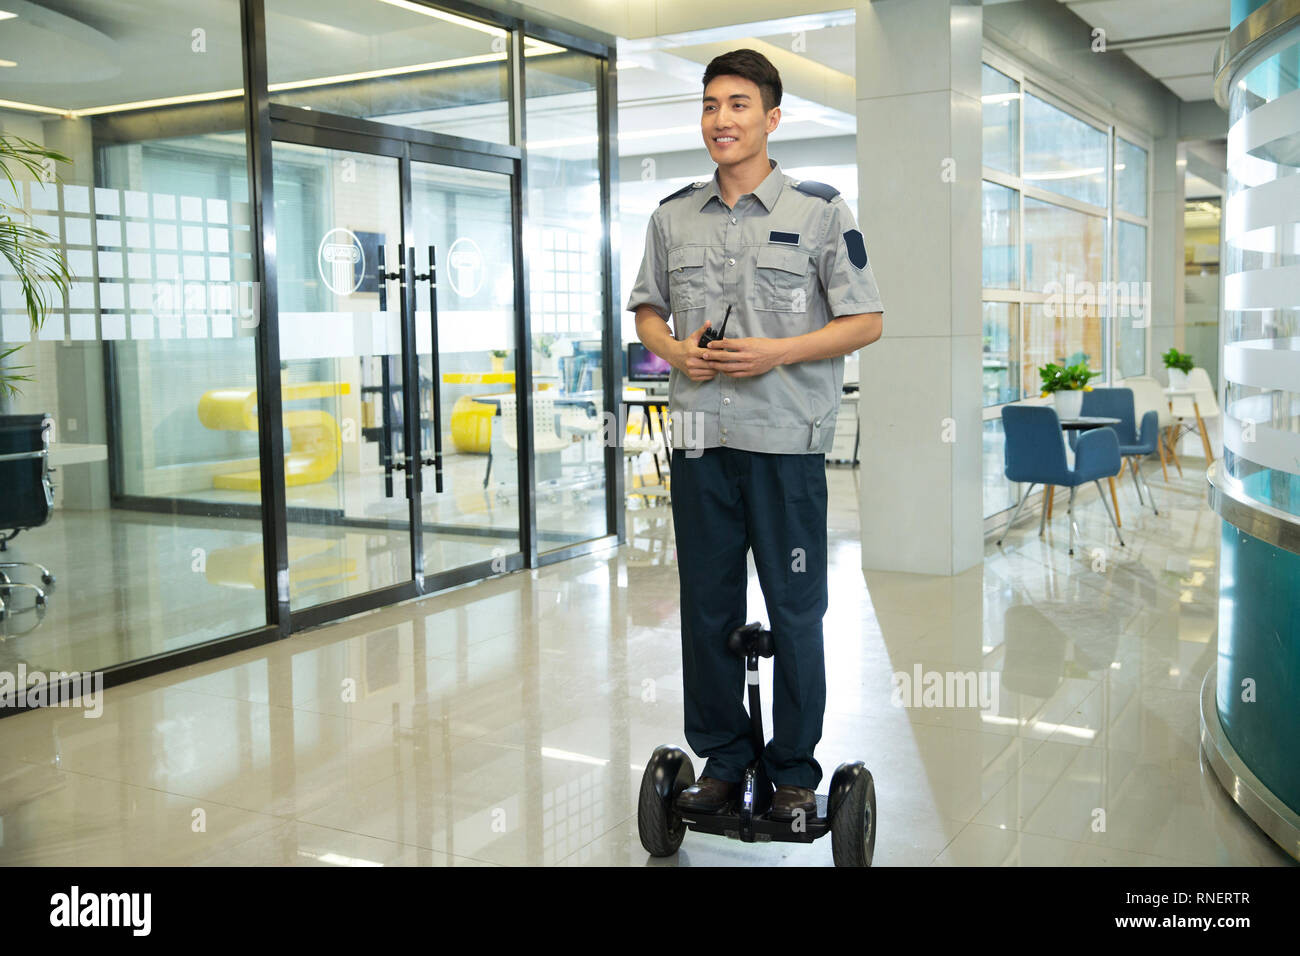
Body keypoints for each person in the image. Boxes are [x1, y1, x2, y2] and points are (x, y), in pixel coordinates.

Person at [626, 48, 885, 820]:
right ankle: (723, 759)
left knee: (795, 611)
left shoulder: (821, 211)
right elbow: (644, 308)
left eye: (737, 105)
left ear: (772, 118)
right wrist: (673, 350)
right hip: (702, 443)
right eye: (709, 106)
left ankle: (795, 770)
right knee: (707, 608)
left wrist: (777, 351)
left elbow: (866, 320)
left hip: (785, 447)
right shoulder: (672, 215)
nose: (720, 120)